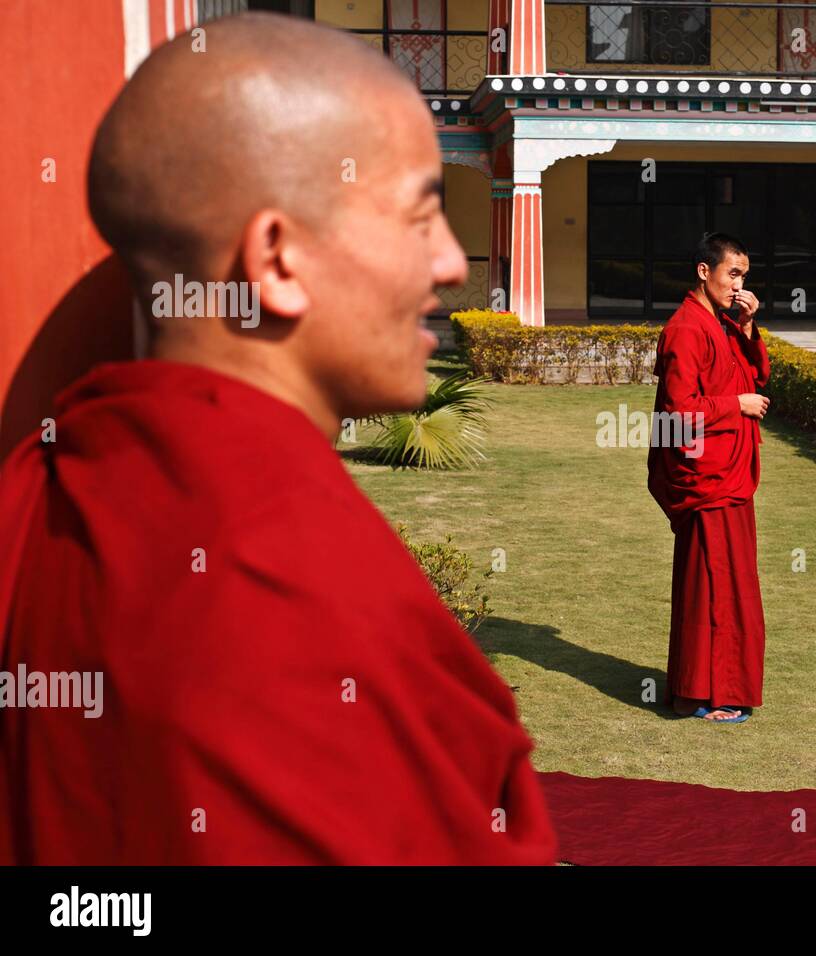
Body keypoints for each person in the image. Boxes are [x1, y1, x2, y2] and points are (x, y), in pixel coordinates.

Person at [0, 13, 555, 864]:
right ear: (278, 259)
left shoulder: (34, 489)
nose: (450, 262)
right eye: (419, 217)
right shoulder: (302, 589)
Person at [647, 233, 771, 723]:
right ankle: (709, 693)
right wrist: (734, 406)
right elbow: (678, 413)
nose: (739, 284)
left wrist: (747, 324)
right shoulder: (686, 329)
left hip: (728, 474)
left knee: (731, 585)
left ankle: (702, 686)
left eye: (744, 276)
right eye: (732, 274)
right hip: (708, 478)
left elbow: (753, 376)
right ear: (704, 271)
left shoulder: (719, 323)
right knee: (716, 586)